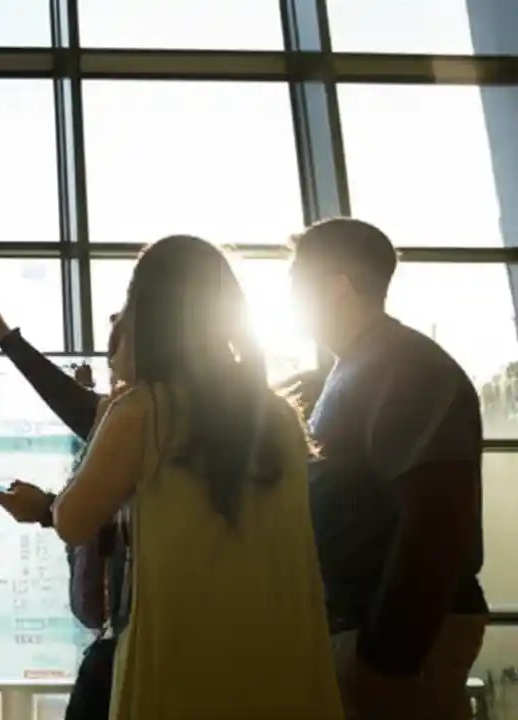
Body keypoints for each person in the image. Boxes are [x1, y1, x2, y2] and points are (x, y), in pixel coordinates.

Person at [54, 235, 343, 718]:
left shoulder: (144, 410)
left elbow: (72, 521)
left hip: (182, 662)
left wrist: (114, 401)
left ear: (149, 313)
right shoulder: (274, 415)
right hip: (280, 661)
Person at [290, 218, 487, 720]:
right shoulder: (362, 365)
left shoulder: (405, 369)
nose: (290, 299)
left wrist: (386, 662)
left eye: (297, 283)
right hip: (375, 636)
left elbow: (437, 521)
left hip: (394, 647)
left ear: (335, 288)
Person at [0, 306, 128, 720]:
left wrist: (46, 509)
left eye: (118, 346)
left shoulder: (139, 416)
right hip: (122, 634)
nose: (111, 361)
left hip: (131, 639)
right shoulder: (148, 415)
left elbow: (82, 514)